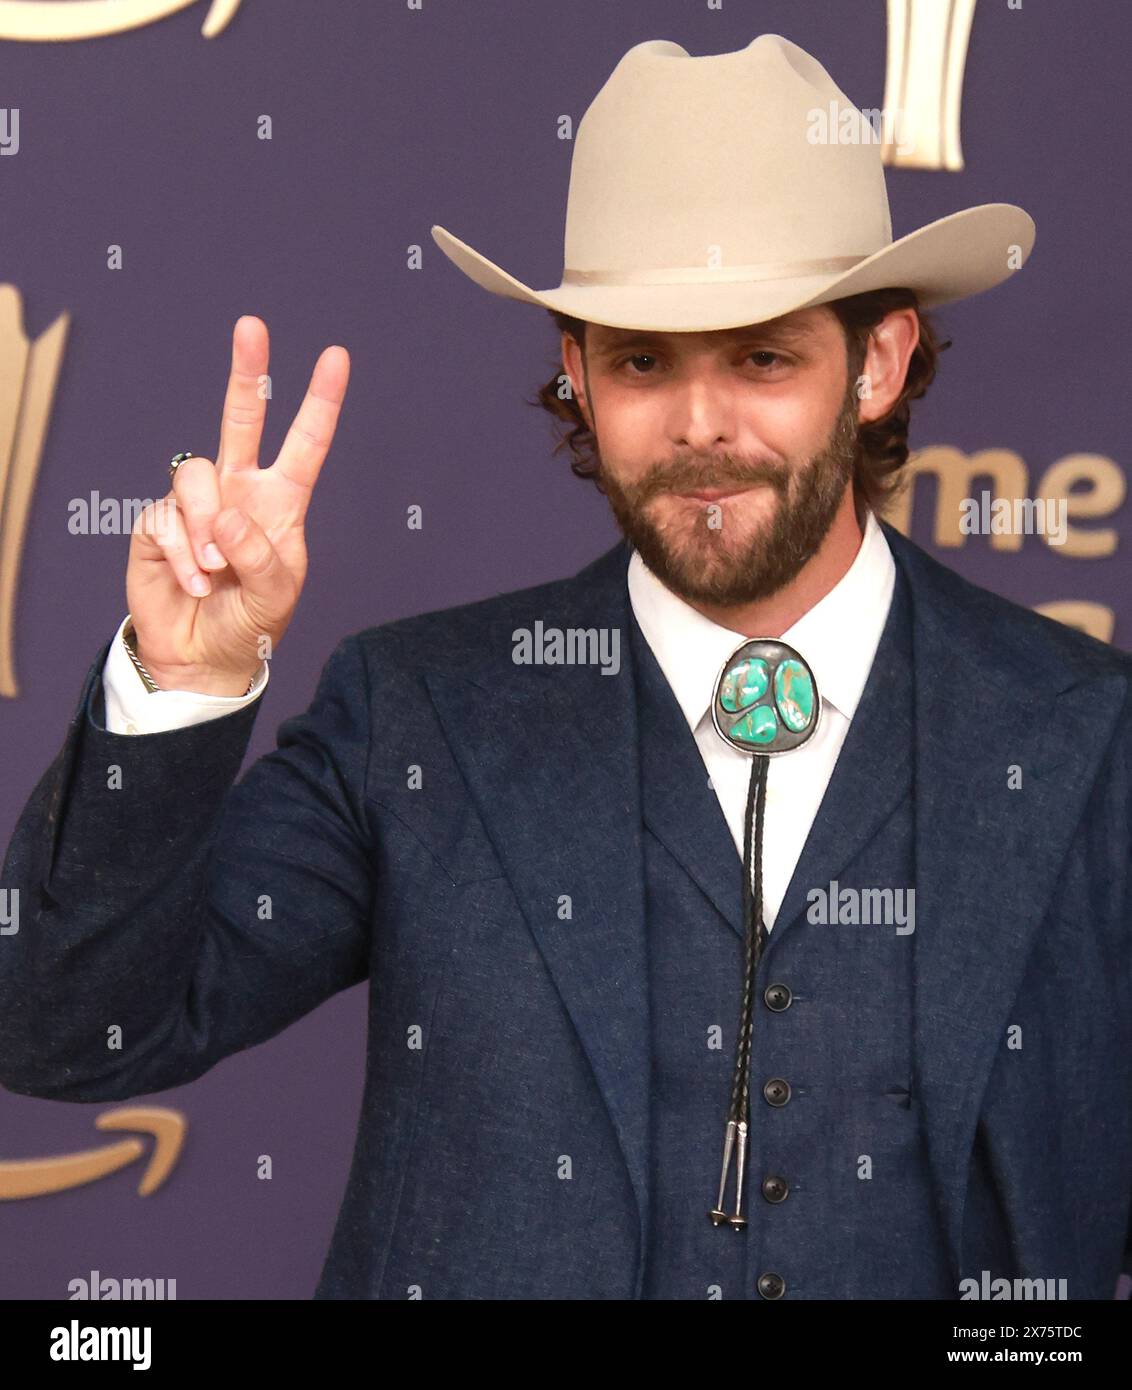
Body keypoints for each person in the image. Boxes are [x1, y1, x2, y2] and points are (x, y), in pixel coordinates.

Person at [3, 33, 1130, 1301]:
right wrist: (185, 683)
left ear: (872, 364)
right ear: (574, 374)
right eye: (643, 359)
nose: (700, 426)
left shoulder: (1085, 736)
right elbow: (70, 1031)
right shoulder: (418, 719)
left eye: (761, 354)